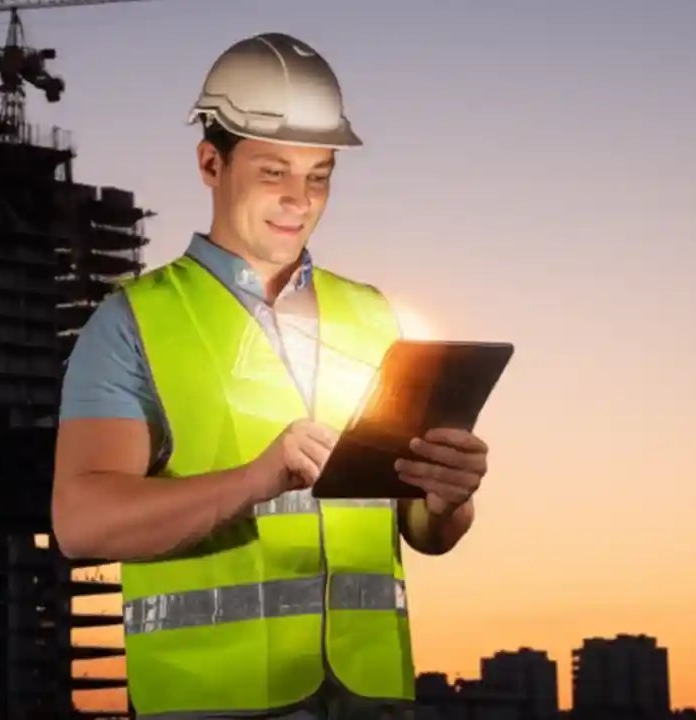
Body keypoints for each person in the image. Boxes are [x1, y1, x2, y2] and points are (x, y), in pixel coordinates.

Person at [51, 31, 491, 720]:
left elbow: (424, 531)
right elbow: (81, 523)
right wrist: (254, 481)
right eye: (273, 172)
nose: (299, 199)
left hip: (371, 700)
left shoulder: (372, 316)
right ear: (211, 163)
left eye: (319, 175)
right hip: (210, 702)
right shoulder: (133, 322)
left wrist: (448, 496)